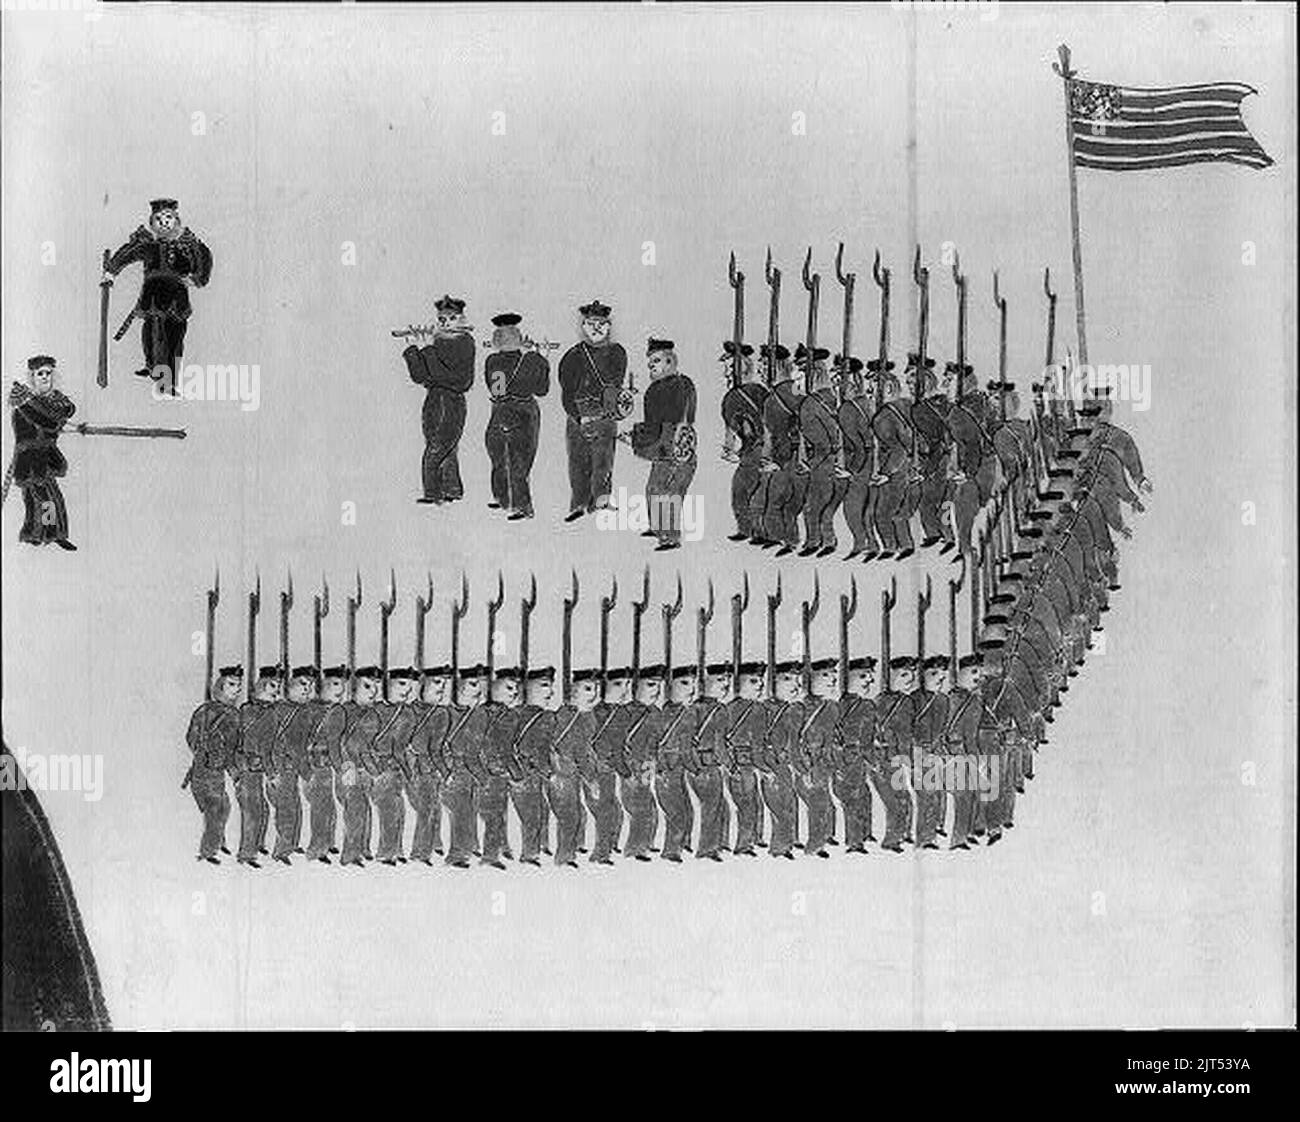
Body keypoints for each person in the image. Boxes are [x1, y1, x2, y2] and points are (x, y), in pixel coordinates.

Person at [104, 198, 213, 396]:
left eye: (168, 217)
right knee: (151, 335)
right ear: (152, 223)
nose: (164, 222)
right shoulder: (150, 246)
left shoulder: (189, 244)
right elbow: (129, 253)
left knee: (175, 339)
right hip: (153, 299)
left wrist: (198, 279)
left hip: (177, 300)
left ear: (177, 220)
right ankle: (154, 367)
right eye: (159, 219)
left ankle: (168, 380)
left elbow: (204, 257)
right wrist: (111, 271)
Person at [558, 300, 628, 520]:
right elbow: (566, 390)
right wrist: (578, 416)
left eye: (601, 323)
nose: (596, 328)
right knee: (578, 462)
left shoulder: (617, 353)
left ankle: (601, 501)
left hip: (604, 416)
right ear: (583, 326)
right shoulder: (573, 356)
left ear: (608, 325)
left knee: (603, 462)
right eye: (590, 323)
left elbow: (616, 386)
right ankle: (578, 504)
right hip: (578, 415)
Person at [402, 295, 474, 504]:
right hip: (433, 400)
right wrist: (413, 349)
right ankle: (452, 490)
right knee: (445, 450)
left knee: (436, 450)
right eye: (442, 319)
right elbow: (421, 377)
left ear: (461, 319)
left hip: (451, 402)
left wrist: (427, 349)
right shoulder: (438, 341)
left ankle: (432, 494)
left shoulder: (465, 342)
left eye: (452, 318)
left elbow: (454, 379)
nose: (445, 323)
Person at [631, 338, 697, 551]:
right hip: (661, 446)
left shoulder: (683, 385)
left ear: (671, 361)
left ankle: (669, 537)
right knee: (653, 489)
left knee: (670, 493)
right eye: (650, 363)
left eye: (657, 361)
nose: (652, 367)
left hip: (677, 445)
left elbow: (687, 419)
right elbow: (651, 425)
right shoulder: (652, 391)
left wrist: (635, 437)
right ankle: (658, 527)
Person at [484, 313, 551, 520]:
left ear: (496, 340)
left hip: (500, 412)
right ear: (520, 338)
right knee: (520, 462)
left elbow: (498, 390)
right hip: (525, 413)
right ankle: (522, 506)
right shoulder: (532, 360)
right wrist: (541, 358)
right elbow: (542, 390)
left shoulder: (492, 361)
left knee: (499, 458)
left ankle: (503, 498)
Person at [10, 356, 77, 550]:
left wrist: (30, 402)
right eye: (40, 374)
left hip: (45, 457)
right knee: (37, 498)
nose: (45, 377)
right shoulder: (23, 404)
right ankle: (40, 534)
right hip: (28, 459)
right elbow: (46, 421)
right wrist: (27, 402)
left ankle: (46, 533)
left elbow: (66, 411)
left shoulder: (53, 401)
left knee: (45, 497)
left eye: (48, 373)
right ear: (32, 377)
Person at [184, 665, 243, 863]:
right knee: (215, 810)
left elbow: (231, 749)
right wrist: (204, 752)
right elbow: (191, 737)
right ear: (220, 686)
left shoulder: (233, 715)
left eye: (238, 685)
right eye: (231, 684)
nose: (236, 689)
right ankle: (208, 851)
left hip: (215, 773)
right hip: (203, 772)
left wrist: (228, 767)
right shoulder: (207, 712)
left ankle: (217, 841)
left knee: (223, 807)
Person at [719, 343, 769, 543]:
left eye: (730, 368)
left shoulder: (752, 392)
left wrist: (730, 447)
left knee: (752, 491)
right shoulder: (734, 396)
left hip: (759, 448)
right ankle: (747, 529)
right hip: (749, 449)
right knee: (741, 489)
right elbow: (731, 427)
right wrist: (729, 448)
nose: (726, 372)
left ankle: (759, 531)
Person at [510, 667, 558, 866]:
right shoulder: (544, 719)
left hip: (520, 774)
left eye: (550, 686)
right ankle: (529, 854)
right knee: (533, 816)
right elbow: (538, 752)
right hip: (527, 775)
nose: (551, 692)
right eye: (544, 686)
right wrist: (549, 772)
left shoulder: (513, 714)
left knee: (540, 810)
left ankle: (540, 846)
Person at [235, 667, 283, 867]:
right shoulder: (265, 714)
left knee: (260, 809)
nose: (276, 690)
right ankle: (247, 854)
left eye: (278, 687)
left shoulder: (248, 709)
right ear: (262, 685)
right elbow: (265, 748)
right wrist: (272, 774)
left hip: (252, 768)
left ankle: (257, 844)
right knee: (253, 813)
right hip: (250, 769)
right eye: (273, 685)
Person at [407, 666, 453, 864]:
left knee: (430, 807)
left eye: (443, 683)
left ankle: (427, 847)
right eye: (436, 682)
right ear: (422, 684)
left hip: (428, 769)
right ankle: (422, 850)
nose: (441, 688)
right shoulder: (408, 711)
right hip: (409, 768)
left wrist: (444, 770)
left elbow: (437, 748)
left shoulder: (441, 714)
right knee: (425, 808)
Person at [303, 666, 348, 863]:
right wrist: (345, 771)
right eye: (336, 684)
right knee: (321, 808)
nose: (341, 689)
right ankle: (317, 849)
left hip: (317, 766)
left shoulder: (309, 708)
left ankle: (327, 842)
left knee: (326, 806)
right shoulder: (334, 712)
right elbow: (334, 745)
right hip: (320, 767)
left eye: (343, 684)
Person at [339, 667, 383, 867]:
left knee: (364, 808)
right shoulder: (341, 712)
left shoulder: (372, 715)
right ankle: (350, 854)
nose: (373, 692)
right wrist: (348, 771)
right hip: (348, 767)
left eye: (376, 687)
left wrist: (372, 768)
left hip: (364, 769)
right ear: (354, 688)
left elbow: (368, 745)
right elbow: (338, 745)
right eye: (367, 686)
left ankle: (363, 847)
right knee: (354, 809)